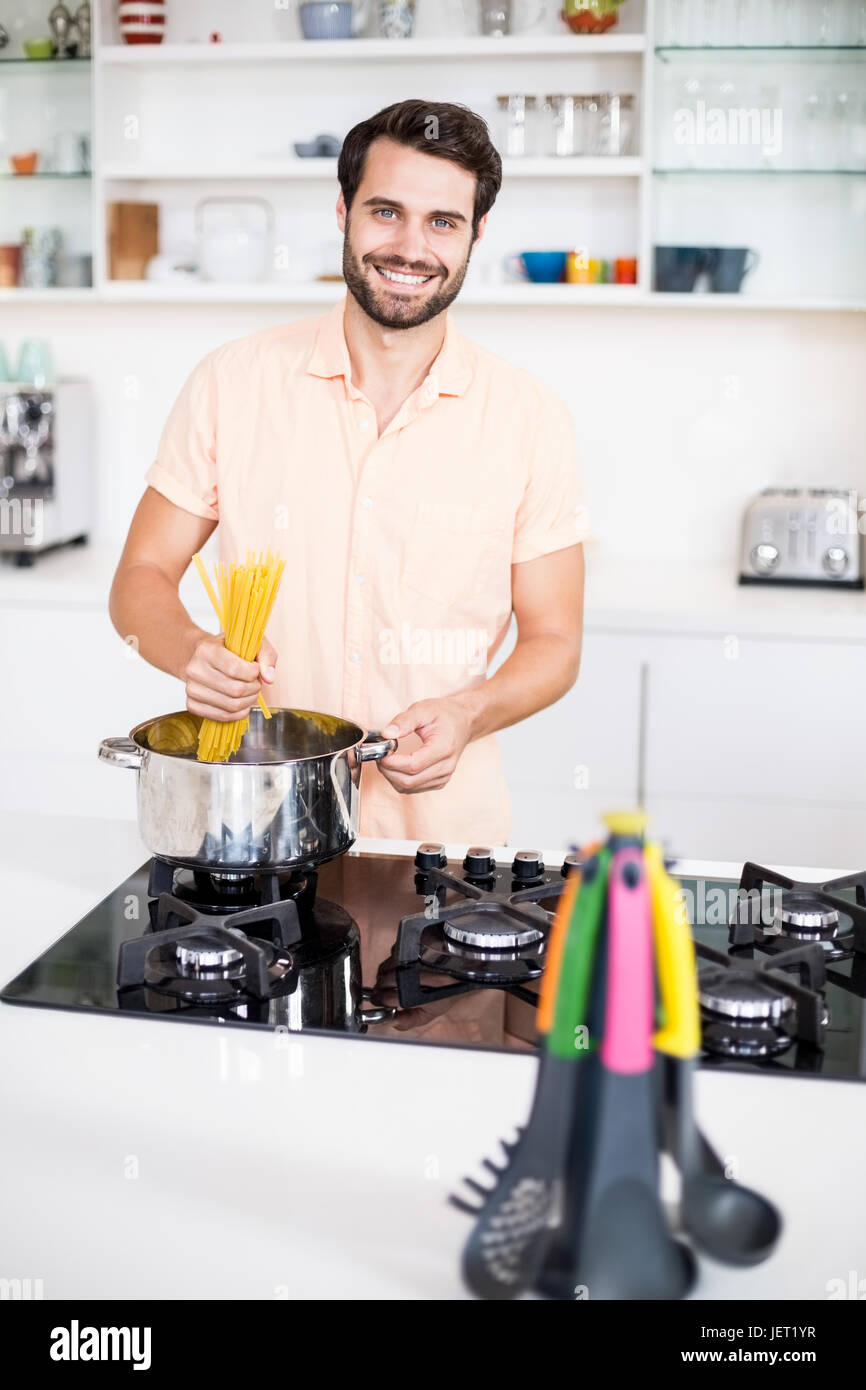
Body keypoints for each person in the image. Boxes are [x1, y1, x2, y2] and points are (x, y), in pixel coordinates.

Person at [109, 99, 589, 845]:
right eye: (387, 212)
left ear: (475, 234)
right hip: (251, 829)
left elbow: (555, 640)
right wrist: (190, 650)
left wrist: (472, 711)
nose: (410, 246)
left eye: (442, 221)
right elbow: (139, 575)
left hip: (440, 840)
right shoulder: (232, 383)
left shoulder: (531, 419)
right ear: (343, 210)